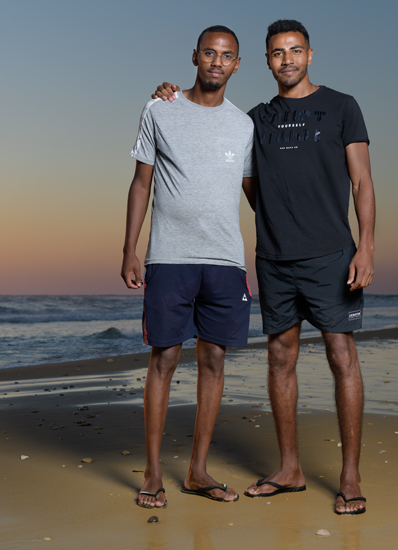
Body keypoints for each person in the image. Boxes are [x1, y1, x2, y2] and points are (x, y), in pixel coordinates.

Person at [152, 19, 376, 515]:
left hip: (333, 255)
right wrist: (167, 94)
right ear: (267, 61)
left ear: (310, 55)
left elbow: (362, 182)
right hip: (274, 259)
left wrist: (367, 247)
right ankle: (290, 468)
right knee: (280, 359)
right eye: (277, 53)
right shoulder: (253, 119)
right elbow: (244, 178)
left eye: (296, 51)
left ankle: (351, 475)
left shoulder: (342, 107)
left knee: (342, 356)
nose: (288, 60)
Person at [121, 25, 256, 509]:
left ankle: (198, 472)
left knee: (214, 361)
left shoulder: (244, 126)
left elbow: (255, 193)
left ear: (238, 65)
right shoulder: (161, 108)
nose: (217, 62)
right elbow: (141, 184)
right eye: (210, 53)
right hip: (170, 257)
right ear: (195, 57)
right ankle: (154, 473)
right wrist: (129, 249)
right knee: (164, 359)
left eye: (227, 56)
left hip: (224, 259)